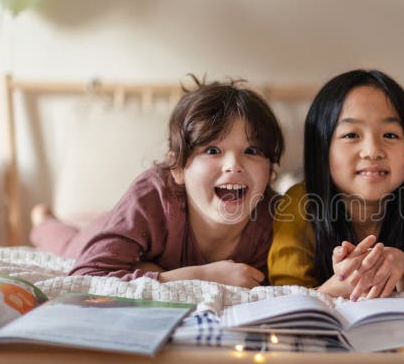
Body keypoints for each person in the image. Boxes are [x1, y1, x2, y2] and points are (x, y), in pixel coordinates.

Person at [30, 76, 284, 286]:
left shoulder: (272, 219)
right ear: (178, 168)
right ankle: (43, 219)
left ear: (271, 170)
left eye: (251, 151)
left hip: (134, 234)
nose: (234, 165)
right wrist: (199, 276)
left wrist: (151, 270)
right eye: (212, 150)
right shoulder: (154, 196)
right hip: (105, 229)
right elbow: (86, 277)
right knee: (65, 244)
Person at [268, 69, 404, 301]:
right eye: (351, 135)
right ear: (321, 148)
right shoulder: (299, 202)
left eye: (390, 135)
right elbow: (286, 297)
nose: (373, 151)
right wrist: (347, 282)